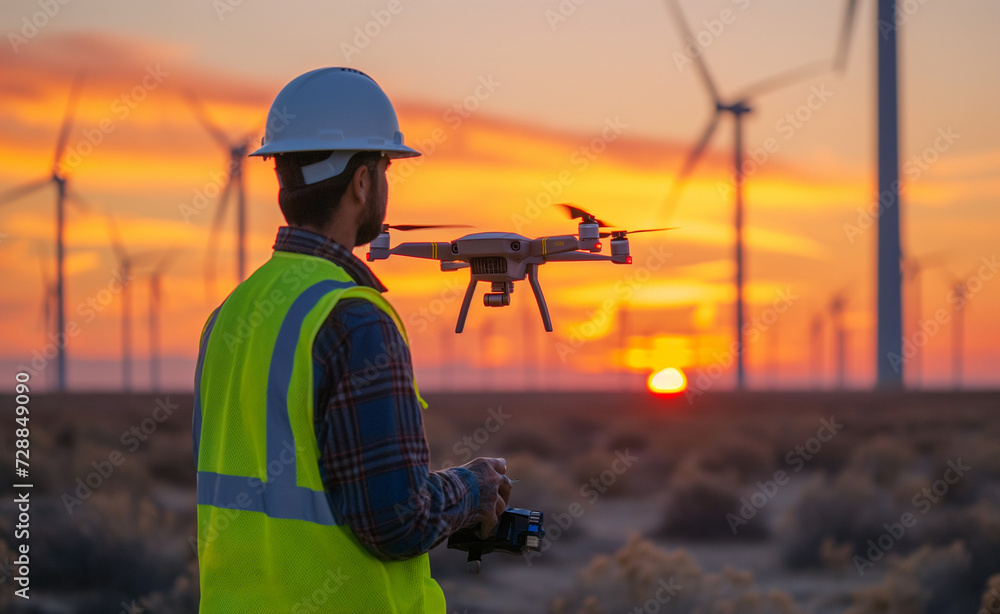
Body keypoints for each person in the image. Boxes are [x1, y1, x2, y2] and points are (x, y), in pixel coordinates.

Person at [192, 67, 511, 613]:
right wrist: (474, 488)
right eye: (386, 168)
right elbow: (396, 522)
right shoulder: (353, 320)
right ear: (362, 182)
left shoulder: (229, 316)